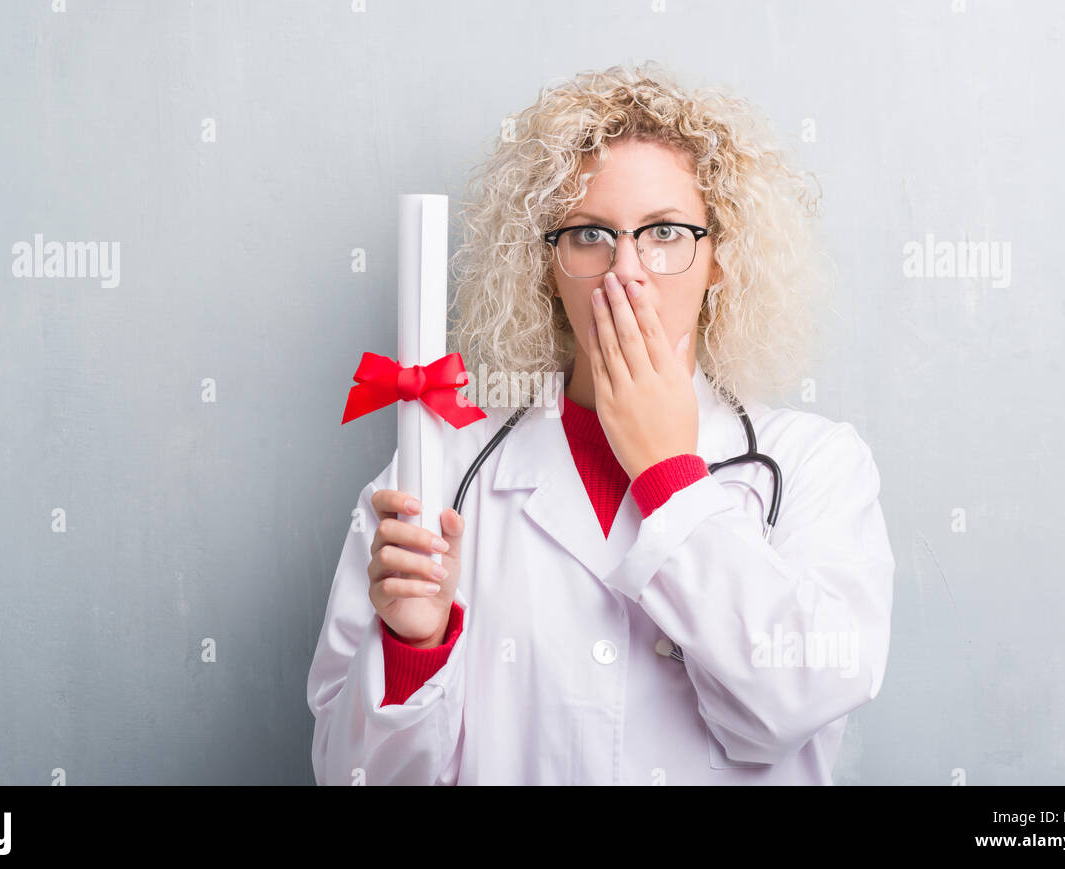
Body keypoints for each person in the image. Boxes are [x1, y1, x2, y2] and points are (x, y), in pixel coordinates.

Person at [307, 61, 895, 785]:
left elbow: (793, 701)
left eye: (665, 233)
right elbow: (350, 775)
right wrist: (411, 646)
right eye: (589, 235)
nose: (626, 272)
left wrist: (669, 478)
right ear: (547, 264)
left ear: (719, 259)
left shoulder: (814, 465)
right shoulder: (436, 474)